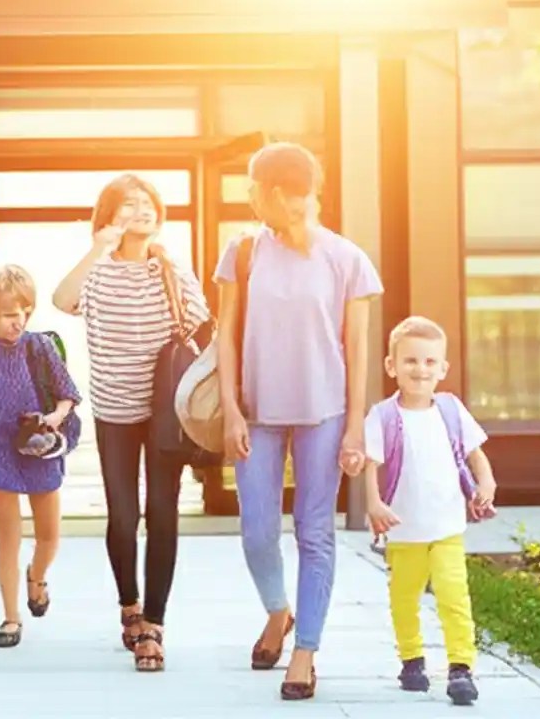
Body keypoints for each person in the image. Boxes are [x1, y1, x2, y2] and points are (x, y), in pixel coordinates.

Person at [214, 142, 383, 699]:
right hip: (257, 414)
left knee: (315, 534)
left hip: (325, 413)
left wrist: (356, 425)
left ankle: (305, 649)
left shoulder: (346, 259)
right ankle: (277, 610)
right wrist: (233, 408)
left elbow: (356, 349)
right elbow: (227, 337)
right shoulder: (241, 253)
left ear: (278, 193)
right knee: (258, 530)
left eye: (253, 188)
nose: (248, 197)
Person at [52, 174, 211, 672]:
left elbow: (205, 330)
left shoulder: (171, 272)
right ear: (108, 216)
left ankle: (155, 626)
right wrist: (99, 246)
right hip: (115, 411)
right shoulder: (95, 274)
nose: (140, 209)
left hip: (166, 412)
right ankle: (130, 605)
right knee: (124, 515)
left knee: (163, 511)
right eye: (127, 204)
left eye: (147, 203)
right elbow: (61, 300)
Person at [363, 316, 497, 706]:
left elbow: (475, 454)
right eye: (410, 361)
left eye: (429, 362)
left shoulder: (451, 410)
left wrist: (485, 482)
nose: (420, 369)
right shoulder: (384, 416)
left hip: (446, 528)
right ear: (392, 366)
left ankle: (461, 667)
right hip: (403, 530)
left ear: (442, 369)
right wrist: (374, 504)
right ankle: (411, 660)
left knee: (454, 597)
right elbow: (371, 464)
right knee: (404, 600)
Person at [0, 265, 81, 648]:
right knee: (8, 534)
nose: (17, 320)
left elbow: (67, 393)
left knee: (49, 535)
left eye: (24, 311)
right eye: (8, 314)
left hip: (40, 447)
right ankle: (10, 617)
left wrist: (53, 419)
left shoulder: (40, 347)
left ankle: (36, 576)